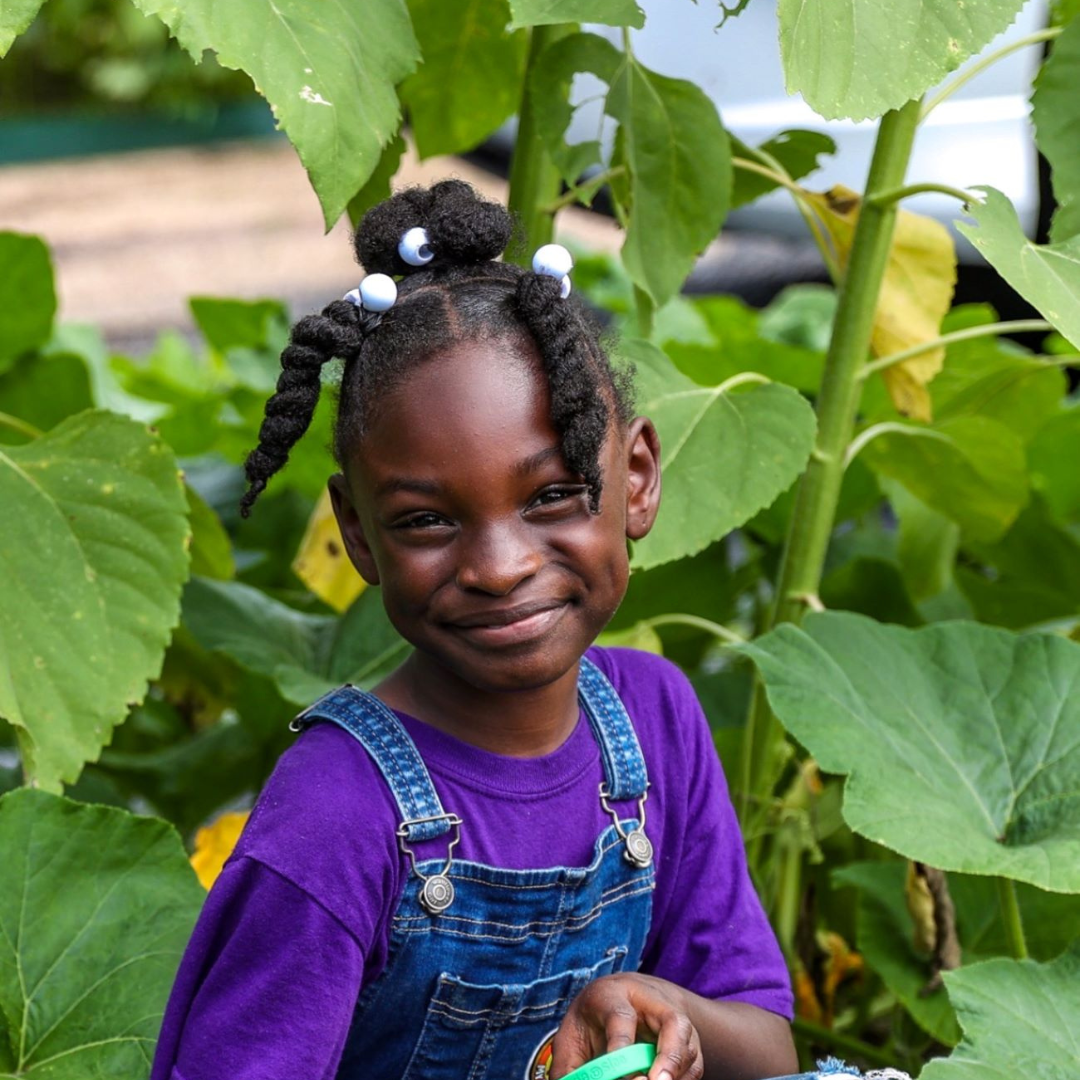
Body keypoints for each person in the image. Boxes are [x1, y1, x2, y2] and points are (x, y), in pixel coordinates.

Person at [150, 180, 802, 1080]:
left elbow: (768, 1054)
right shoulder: (336, 812)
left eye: (553, 496)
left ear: (639, 478)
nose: (499, 565)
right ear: (357, 533)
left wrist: (668, 1010)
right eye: (427, 521)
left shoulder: (657, 721)